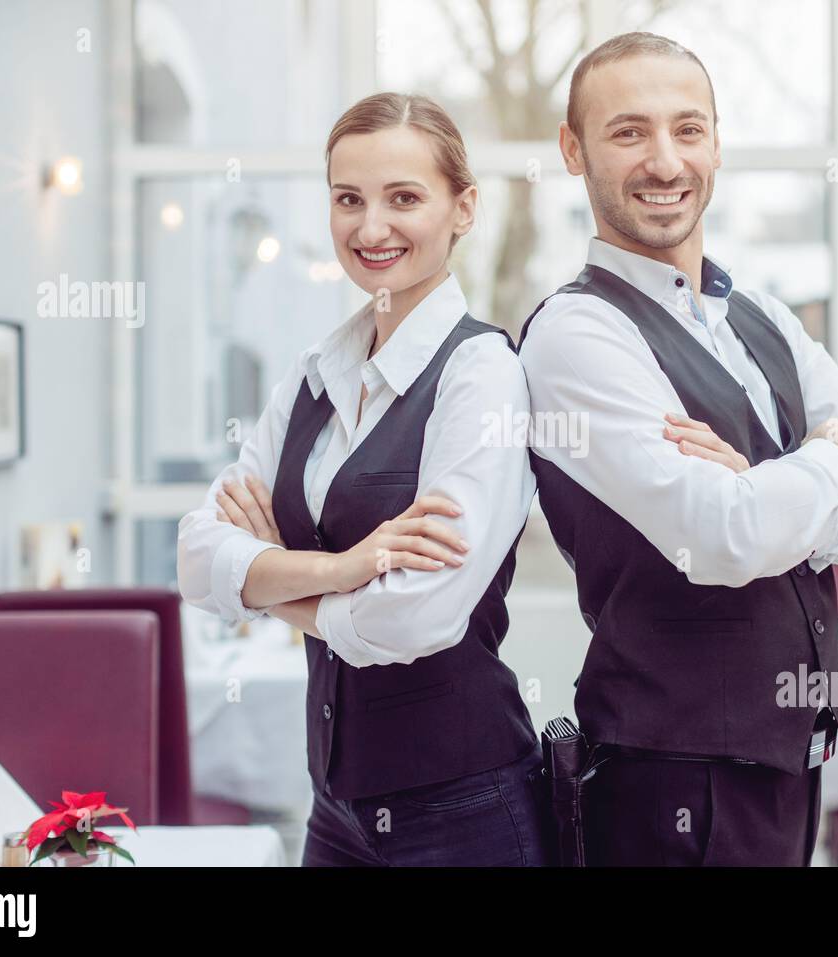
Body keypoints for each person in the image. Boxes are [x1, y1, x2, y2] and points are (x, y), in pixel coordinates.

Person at [518, 32, 838, 866]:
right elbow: (717, 537)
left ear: (716, 142)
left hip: (787, 770)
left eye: (689, 129)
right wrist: (831, 459)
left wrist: (771, 496)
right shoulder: (575, 332)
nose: (666, 161)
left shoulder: (764, 316)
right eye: (629, 132)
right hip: (667, 782)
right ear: (573, 150)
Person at [178, 92, 552, 867]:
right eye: (348, 199)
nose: (370, 227)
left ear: (464, 208)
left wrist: (267, 578)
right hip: (336, 807)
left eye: (404, 198)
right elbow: (194, 554)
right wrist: (345, 569)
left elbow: (417, 615)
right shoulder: (316, 371)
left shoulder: (481, 372)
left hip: (464, 808)